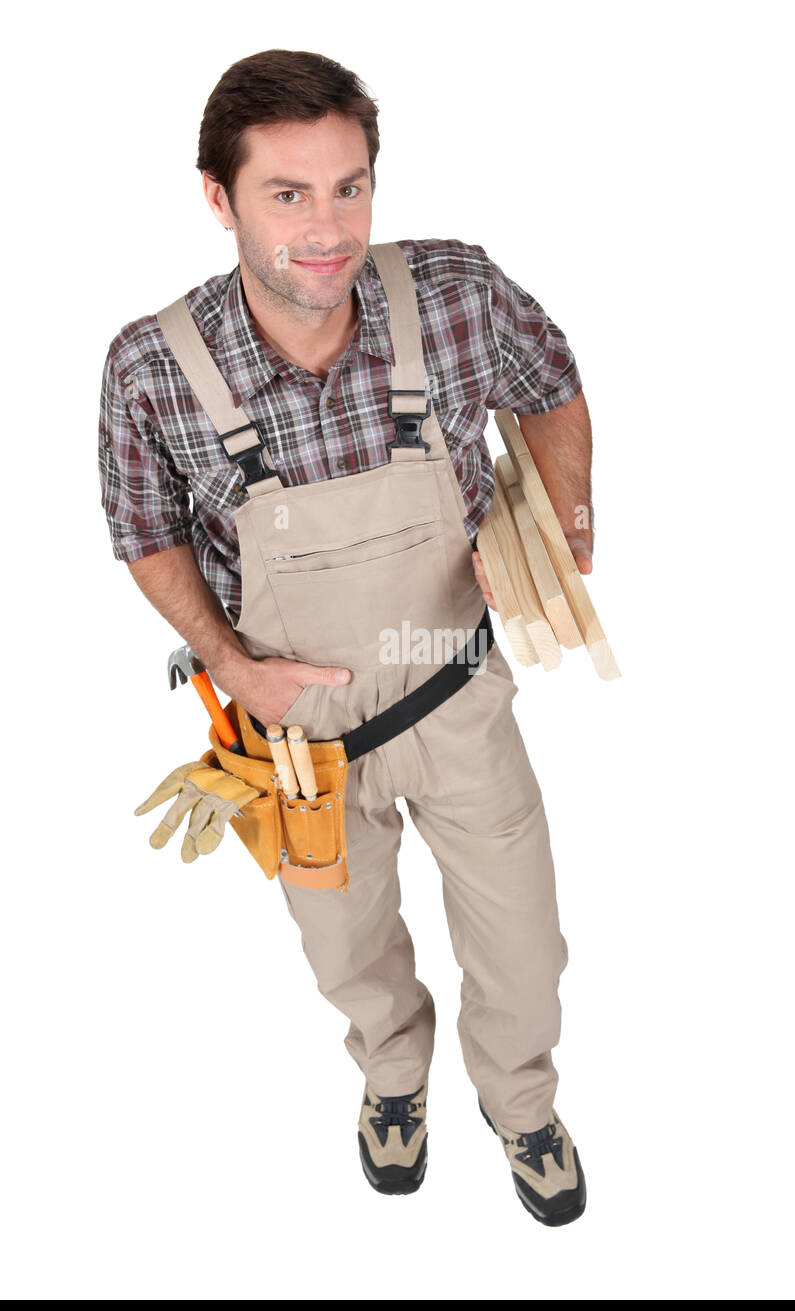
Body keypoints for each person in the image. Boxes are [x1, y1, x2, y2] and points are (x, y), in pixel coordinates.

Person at [98, 48, 594, 1227]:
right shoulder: (152, 368)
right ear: (217, 197)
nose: (328, 230)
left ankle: (519, 1101)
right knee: (348, 951)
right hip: (296, 737)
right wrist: (228, 662)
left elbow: (552, 381)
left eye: (350, 187)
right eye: (287, 194)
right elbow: (144, 530)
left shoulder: (455, 295)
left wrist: (559, 521)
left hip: (453, 693)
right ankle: (391, 1080)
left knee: (523, 947)